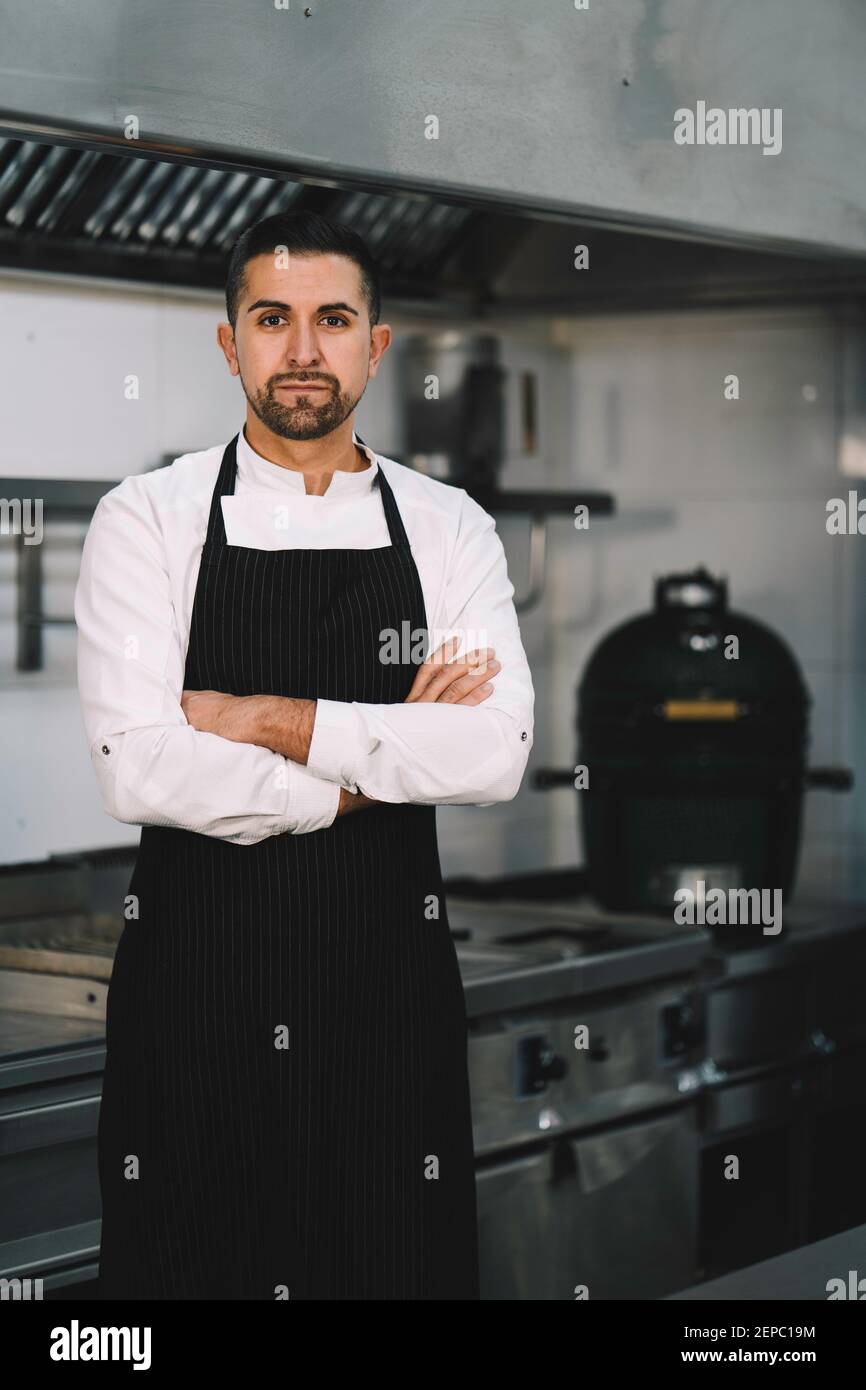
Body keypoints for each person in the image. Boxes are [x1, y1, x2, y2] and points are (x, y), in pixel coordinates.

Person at [75, 209, 534, 1300]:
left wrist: (266, 716)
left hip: (387, 1008)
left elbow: (493, 752)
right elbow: (140, 767)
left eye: (333, 319)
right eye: (272, 319)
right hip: (195, 1012)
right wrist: (380, 763)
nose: (302, 349)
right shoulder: (148, 519)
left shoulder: (448, 526)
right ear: (230, 343)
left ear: (376, 346)